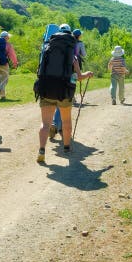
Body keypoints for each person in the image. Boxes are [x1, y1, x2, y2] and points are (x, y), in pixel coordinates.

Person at [35, 28, 93, 163]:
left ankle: (42, 150)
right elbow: (78, 77)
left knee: (45, 124)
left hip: (46, 90)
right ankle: (66, 148)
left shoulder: (47, 50)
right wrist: (87, 74)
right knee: (66, 121)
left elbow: (39, 71)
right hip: (64, 92)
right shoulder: (72, 55)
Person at [0, 31, 18, 100]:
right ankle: (0, 93)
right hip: (4, 64)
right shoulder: (7, 44)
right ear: (6, 37)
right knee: (5, 80)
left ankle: (1, 95)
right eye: (8, 37)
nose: (8, 38)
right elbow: (12, 55)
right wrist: (15, 63)